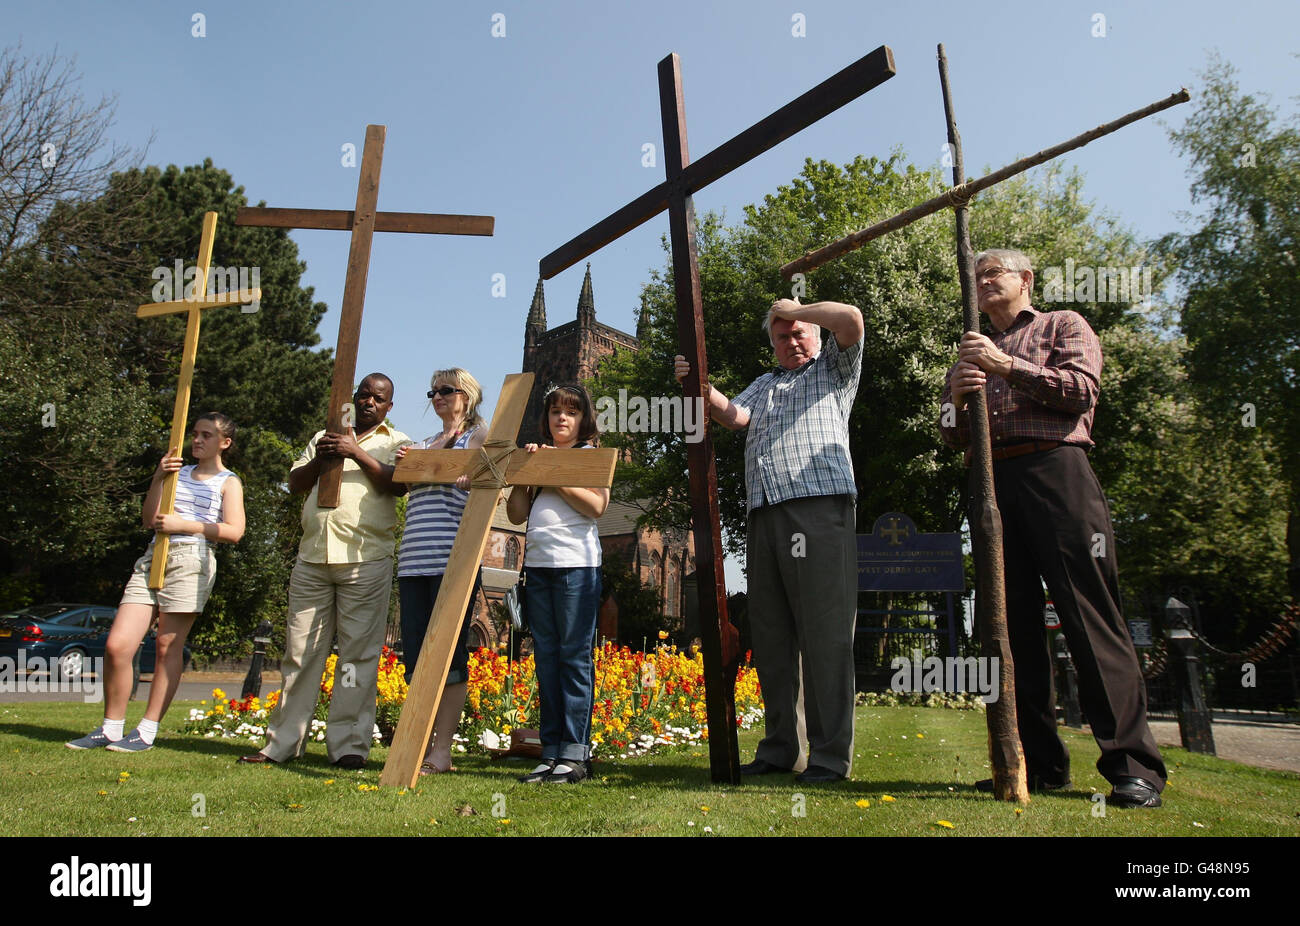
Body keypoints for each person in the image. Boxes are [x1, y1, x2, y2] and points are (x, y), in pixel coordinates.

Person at [939, 248, 1166, 808]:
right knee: (1008, 626)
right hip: (992, 485)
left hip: (1056, 471)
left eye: (995, 272)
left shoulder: (1062, 325)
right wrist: (959, 402)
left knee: (1089, 615)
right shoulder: (967, 353)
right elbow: (948, 434)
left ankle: (1132, 767)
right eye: (977, 275)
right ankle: (1037, 765)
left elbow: (1081, 392)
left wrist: (1006, 366)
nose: (985, 281)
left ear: (1026, 280)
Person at [674, 297, 864, 784]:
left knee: (825, 636)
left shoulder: (833, 370)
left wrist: (800, 307)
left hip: (820, 510)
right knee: (773, 637)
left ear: (816, 334)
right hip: (764, 516)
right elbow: (732, 416)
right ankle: (782, 748)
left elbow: (852, 321)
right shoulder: (764, 384)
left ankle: (828, 757)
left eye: (799, 332)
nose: (792, 341)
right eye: (782, 336)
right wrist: (697, 382)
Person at [240, 374, 410, 770]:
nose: (369, 401)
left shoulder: (398, 442)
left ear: (388, 406)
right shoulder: (323, 436)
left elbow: (398, 485)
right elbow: (296, 483)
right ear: (354, 398)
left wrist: (355, 452)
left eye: (378, 398)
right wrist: (325, 455)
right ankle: (282, 744)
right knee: (299, 654)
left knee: (357, 657)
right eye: (364, 394)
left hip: (365, 559)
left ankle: (349, 745)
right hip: (313, 557)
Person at [68, 413, 245, 753]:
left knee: (166, 647)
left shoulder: (228, 481)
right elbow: (151, 519)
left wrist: (184, 524)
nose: (197, 440)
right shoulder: (176, 473)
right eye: (195, 434)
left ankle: (146, 731)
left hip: (191, 558)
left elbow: (234, 531)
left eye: (206, 435)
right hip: (154, 555)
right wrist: (158, 478)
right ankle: (110, 727)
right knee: (118, 645)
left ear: (225, 443)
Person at [506, 384, 609, 784]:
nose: (561, 418)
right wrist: (525, 477)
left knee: (574, 657)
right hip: (538, 568)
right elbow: (516, 515)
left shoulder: (590, 456)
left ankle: (575, 754)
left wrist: (553, 473)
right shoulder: (538, 454)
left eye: (571, 412)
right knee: (546, 658)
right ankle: (550, 753)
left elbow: (597, 506)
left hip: (577, 567)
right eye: (554, 412)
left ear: (583, 420)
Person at [393, 368, 489, 774]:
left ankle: (442, 750)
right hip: (414, 559)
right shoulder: (423, 444)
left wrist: (474, 474)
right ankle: (418, 743)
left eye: (446, 391)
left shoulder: (479, 436)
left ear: (466, 395)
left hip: (454, 559)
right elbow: (404, 486)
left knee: (449, 657)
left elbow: (492, 471)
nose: (438, 397)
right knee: (415, 657)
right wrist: (407, 464)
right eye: (433, 391)